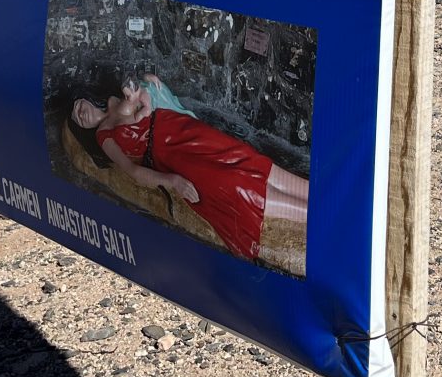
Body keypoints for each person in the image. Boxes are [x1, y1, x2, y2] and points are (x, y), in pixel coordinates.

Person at [63, 73, 308, 262]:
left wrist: (148, 86)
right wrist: (172, 181)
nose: (80, 114)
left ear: (86, 96)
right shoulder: (103, 135)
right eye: (76, 119)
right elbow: (133, 171)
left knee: (243, 157)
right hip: (169, 155)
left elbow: (146, 87)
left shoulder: (115, 97)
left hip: (181, 128)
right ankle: (309, 214)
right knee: (232, 185)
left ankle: (314, 195)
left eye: (77, 106)